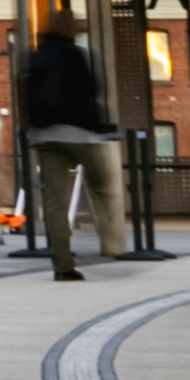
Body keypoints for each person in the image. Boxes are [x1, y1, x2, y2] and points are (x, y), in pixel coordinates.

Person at [21, 17, 115, 283]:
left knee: (55, 204)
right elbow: (92, 89)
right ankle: (112, 241)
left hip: (46, 136)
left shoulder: (36, 57)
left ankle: (62, 266)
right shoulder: (75, 54)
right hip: (78, 133)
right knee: (103, 186)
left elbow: (26, 96)